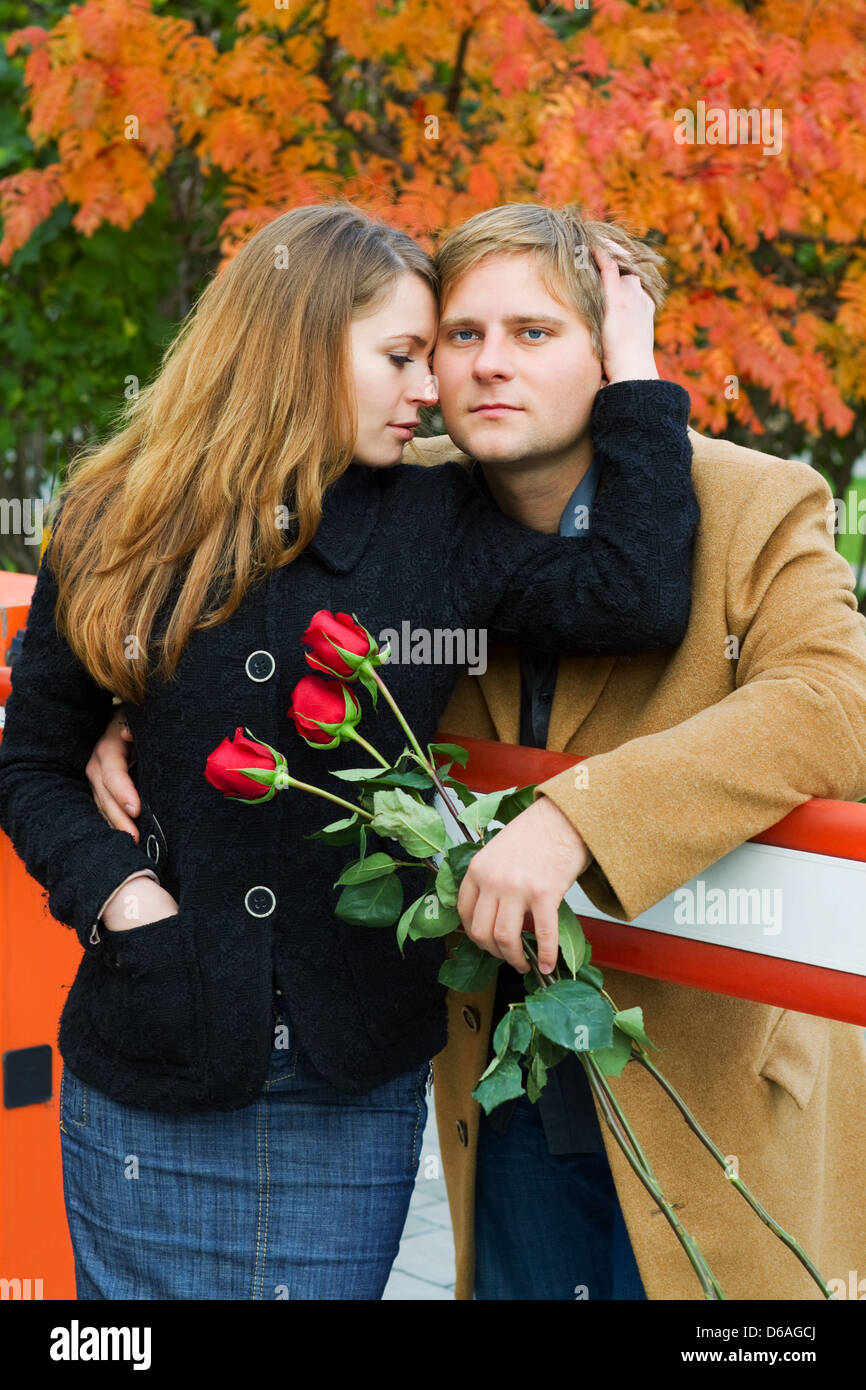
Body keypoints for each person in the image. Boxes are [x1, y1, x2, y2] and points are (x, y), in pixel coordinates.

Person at [0, 201, 698, 1300]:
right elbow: (33, 761)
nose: (432, 388)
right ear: (297, 345)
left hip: (348, 1080)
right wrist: (123, 899)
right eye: (404, 357)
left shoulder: (437, 520)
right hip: (145, 1065)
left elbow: (634, 593)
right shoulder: (114, 519)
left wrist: (633, 371)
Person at [404, 202, 866, 1300]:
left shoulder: (749, 497)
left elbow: (831, 701)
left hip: (711, 1070)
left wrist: (577, 818)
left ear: (609, 352)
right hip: (505, 1070)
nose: (487, 365)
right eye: (460, 335)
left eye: (531, 332)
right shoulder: (404, 501)